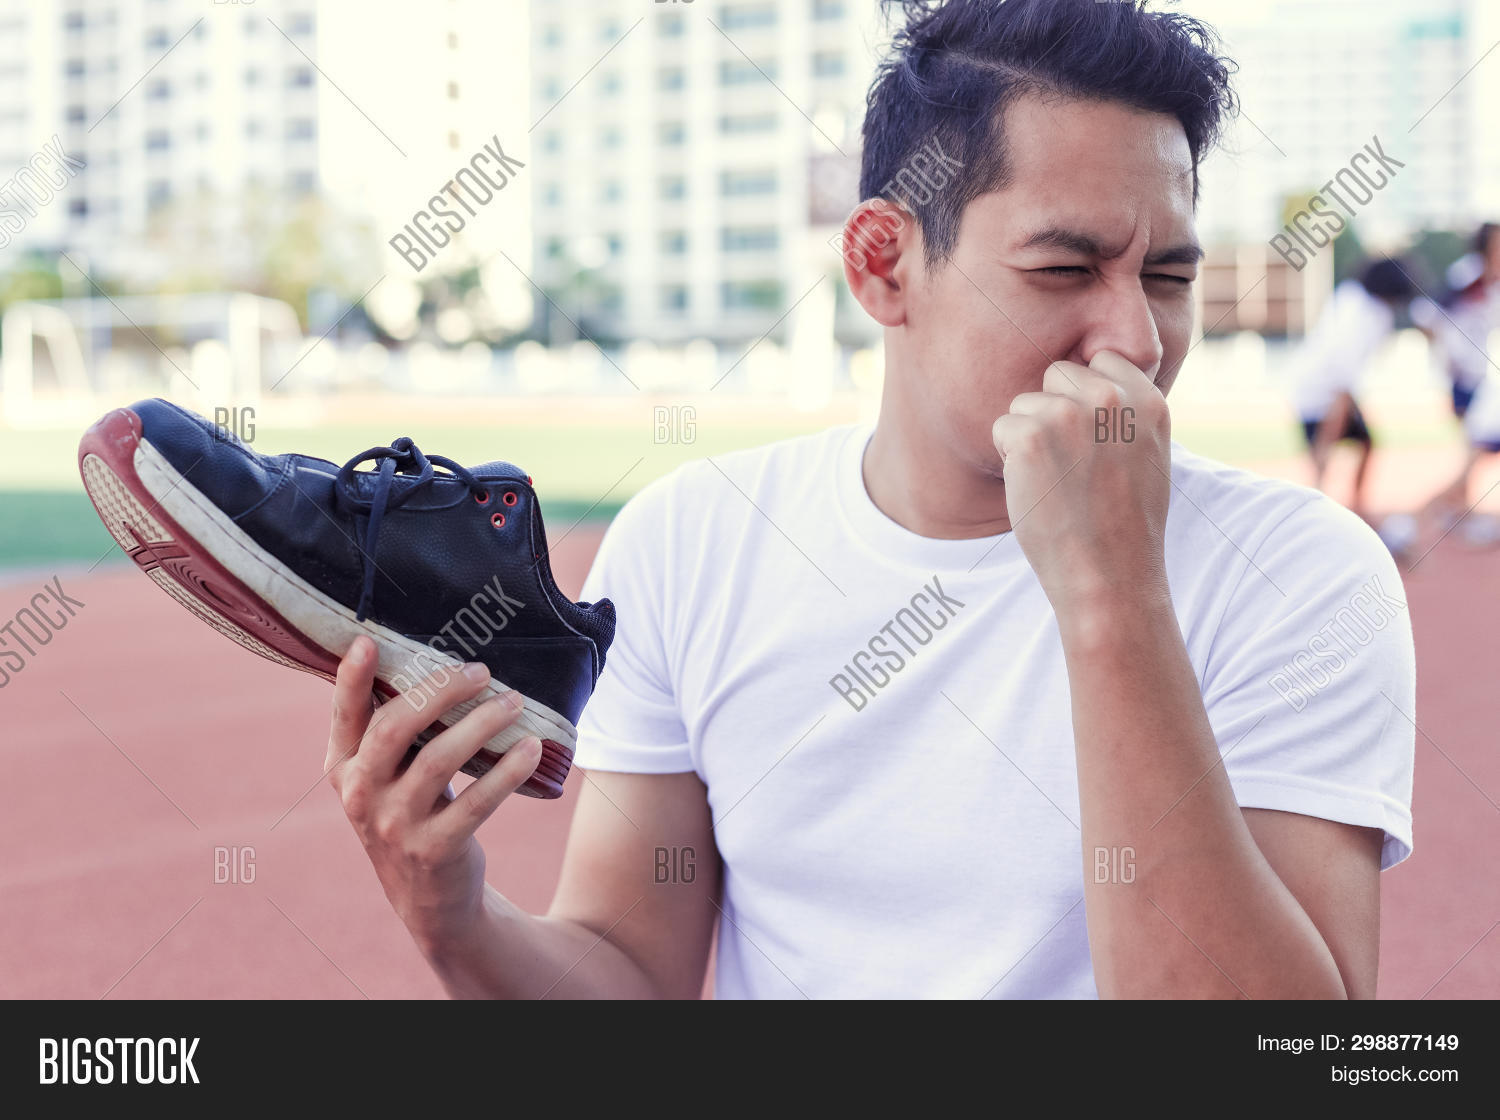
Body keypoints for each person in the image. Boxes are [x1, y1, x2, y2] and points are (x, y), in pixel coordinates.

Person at [324, 0, 1414, 998]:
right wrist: (455, 918)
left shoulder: (1303, 573)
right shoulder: (692, 543)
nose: (1134, 339)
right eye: (1063, 270)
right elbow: (628, 973)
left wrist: (1111, 596)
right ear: (883, 264)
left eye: (1168, 279)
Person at [1289, 257, 1419, 521]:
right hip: (1317, 392)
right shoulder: (1365, 315)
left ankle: (1351, 506)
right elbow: (1342, 385)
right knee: (1324, 452)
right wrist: (1330, 431)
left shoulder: (1352, 296)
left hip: (1317, 387)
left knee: (1361, 444)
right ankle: (1320, 512)